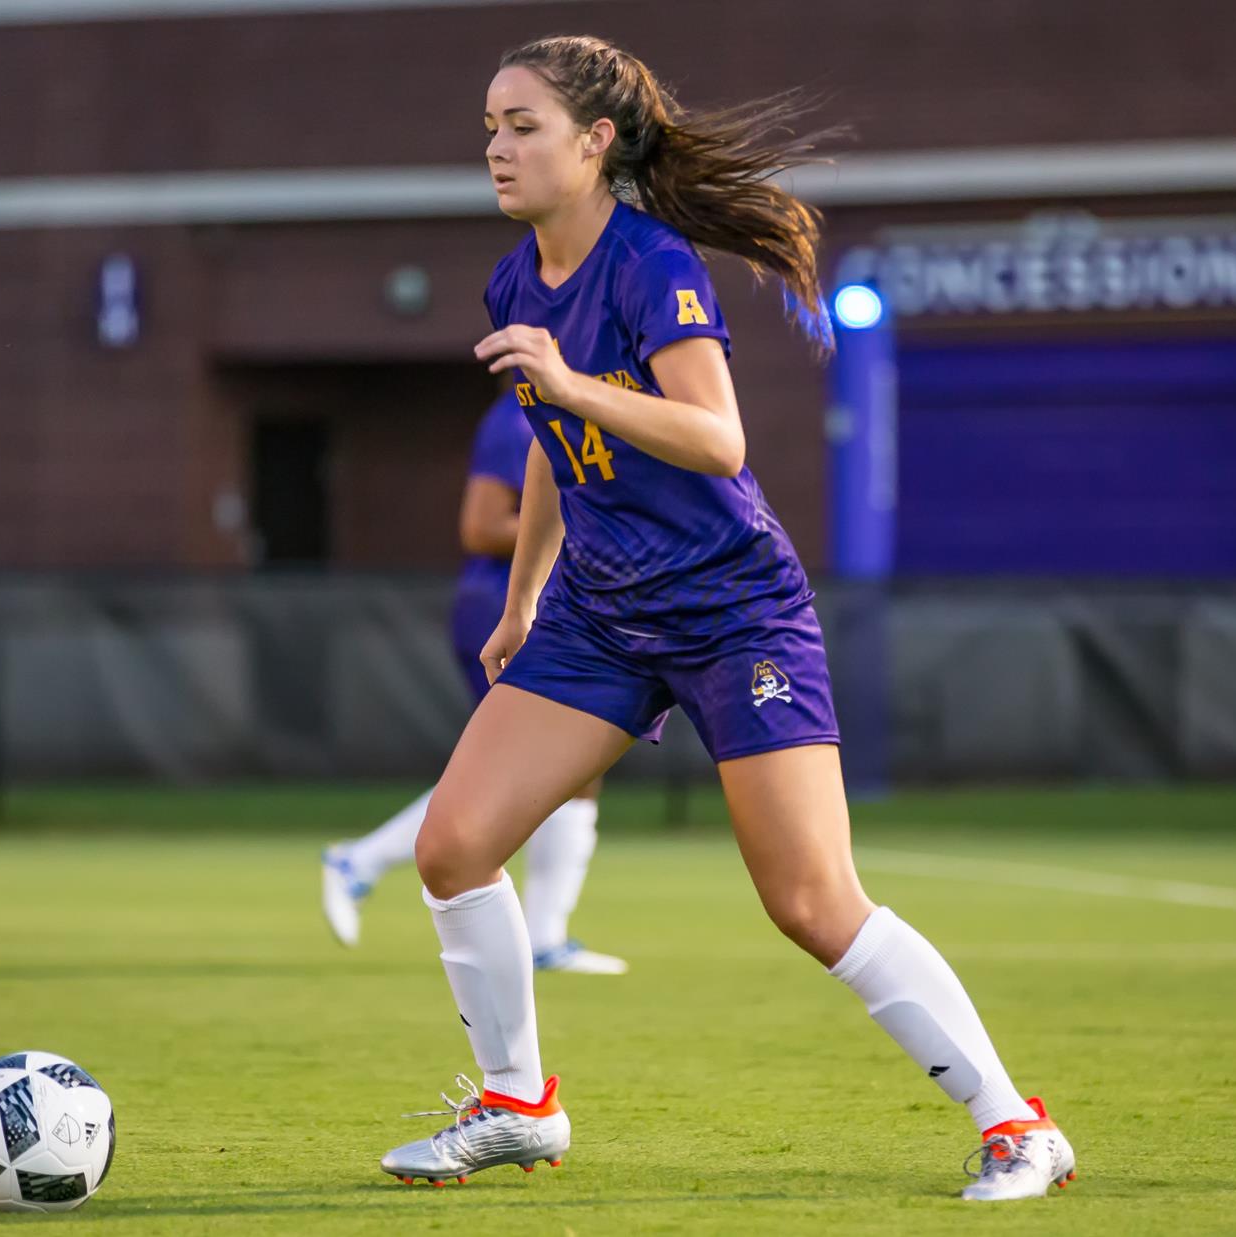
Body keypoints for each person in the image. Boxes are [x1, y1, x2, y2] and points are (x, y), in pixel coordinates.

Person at [375, 36, 1075, 1203]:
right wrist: (523, 595)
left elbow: (717, 439)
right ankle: (516, 1104)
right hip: (600, 611)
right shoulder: (515, 281)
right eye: (489, 126)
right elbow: (555, 447)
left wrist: (571, 382)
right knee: (450, 846)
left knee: (809, 902)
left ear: (596, 143)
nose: (496, 147)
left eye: (523, 125)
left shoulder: (652, 264)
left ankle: (1018, 1126)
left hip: (731, 609)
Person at [320, 389, 627, 975]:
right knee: (522, 766)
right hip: (505, 607)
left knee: (578, 768)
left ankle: (544, 936)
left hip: (561, 607)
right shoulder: (516, 419)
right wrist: (589, 523)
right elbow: (481, 525)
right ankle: (361, 860)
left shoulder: (589, 403)